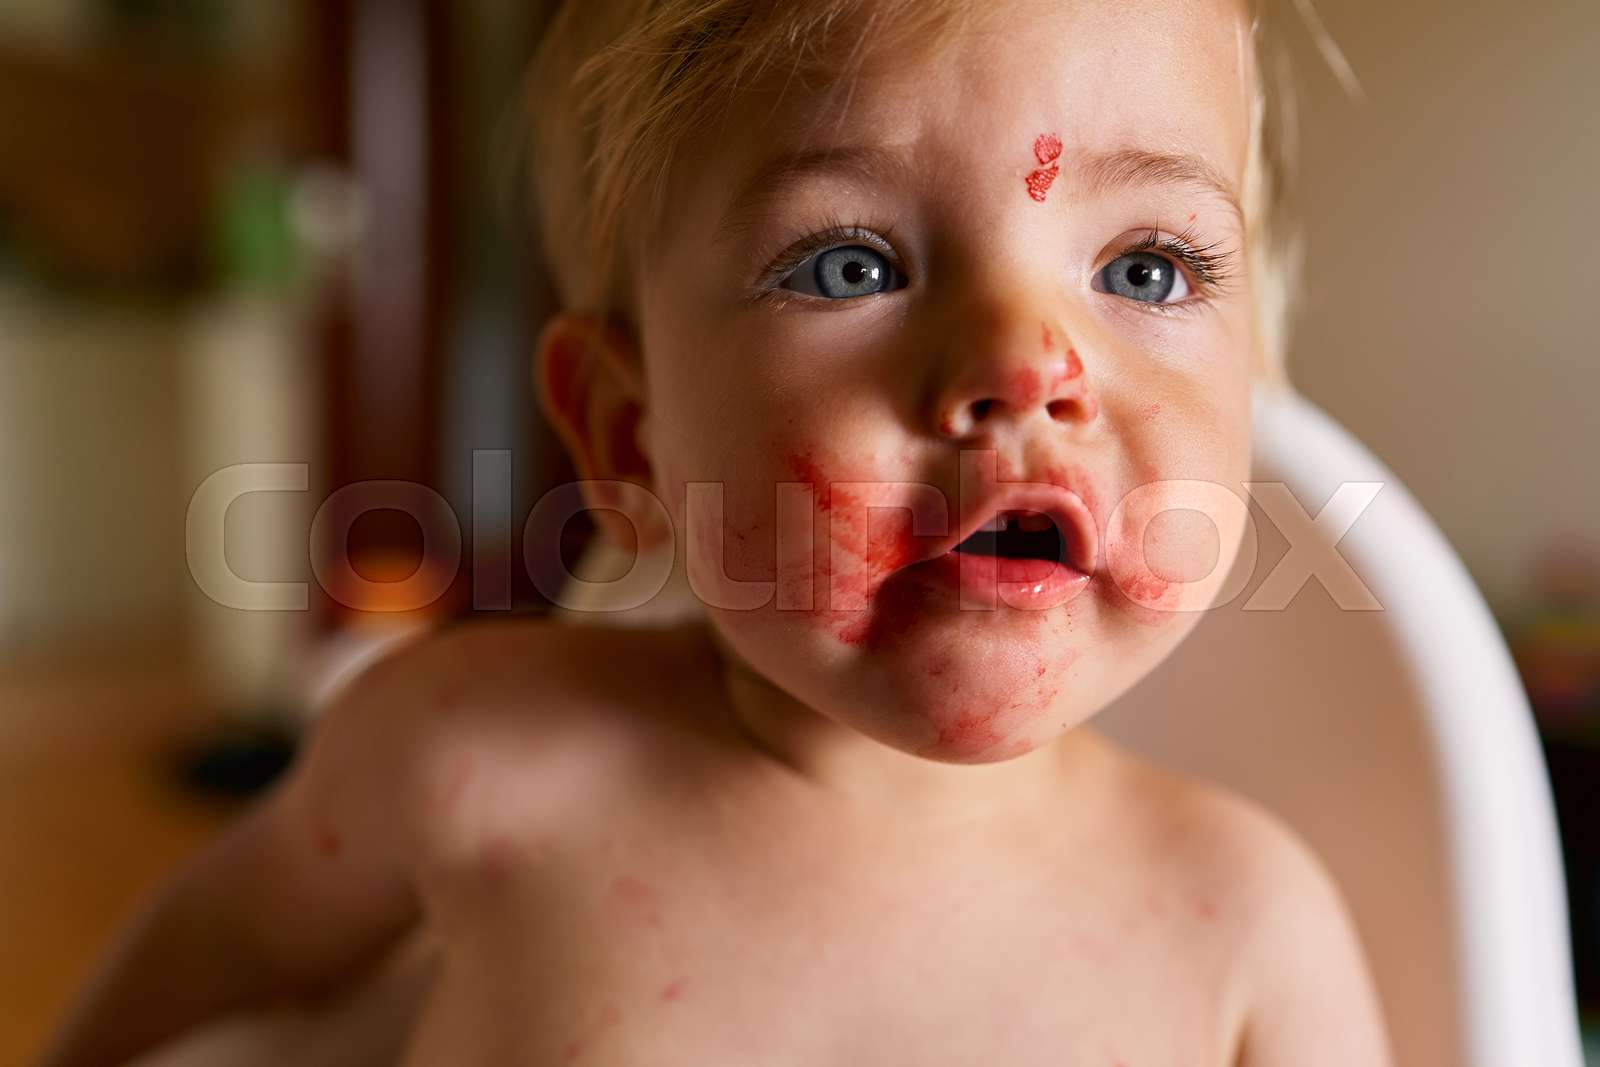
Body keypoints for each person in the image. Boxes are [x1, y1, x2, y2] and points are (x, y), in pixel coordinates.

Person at [38, 0, 1392, 1063]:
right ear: (631, 437)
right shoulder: (470, 756)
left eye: (1146, 268)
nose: (1027, 362)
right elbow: (225, 948)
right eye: (851, 266)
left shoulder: (1247, 929)